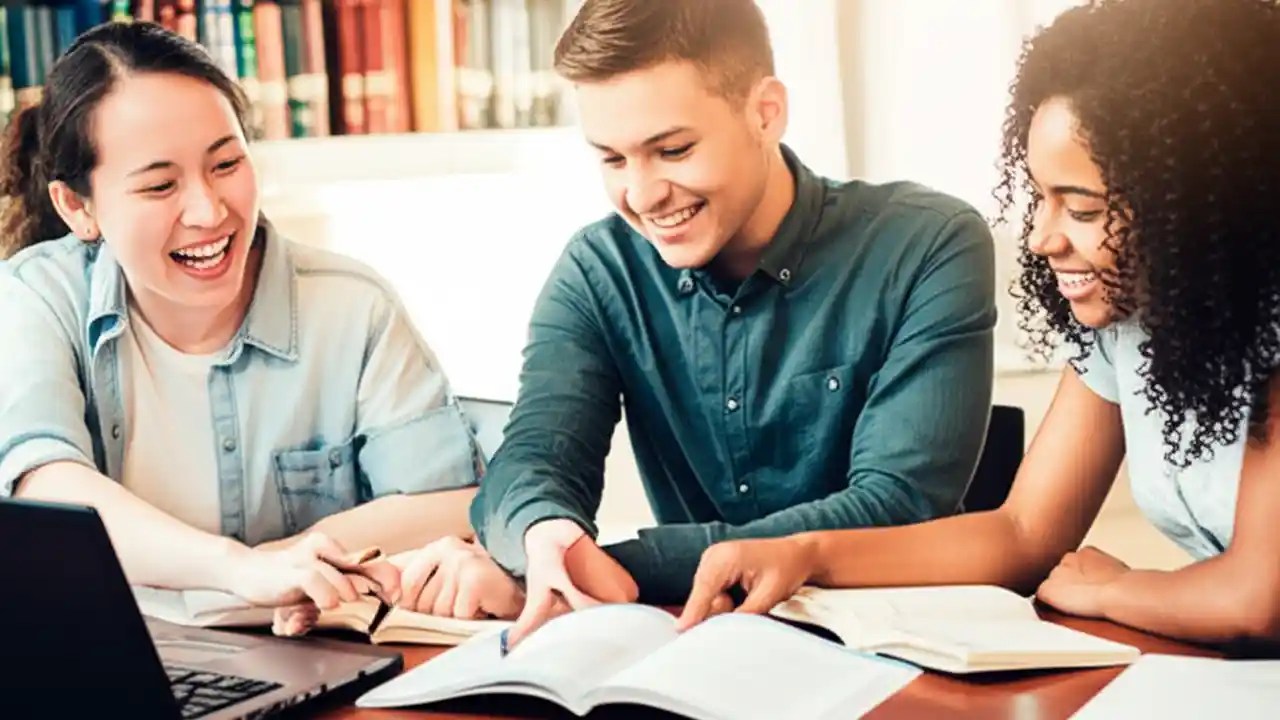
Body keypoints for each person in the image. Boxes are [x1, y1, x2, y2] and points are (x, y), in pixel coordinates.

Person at [677, 0, 1280, 648]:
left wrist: (1112, 588)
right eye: (1040, 197)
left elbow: (1254, 599)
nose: (1043, 238)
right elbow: (1023, 532)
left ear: (1196, 203)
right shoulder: (1129, 324)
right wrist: (808, 554)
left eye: (1080, 209)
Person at [397, 0, 998, 646]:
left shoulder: (931, 245)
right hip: (693, 653)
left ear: (766, 113)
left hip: (900, 653)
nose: (644, 194)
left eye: (673, 149)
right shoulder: (599, 272)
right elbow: (531, 462)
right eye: (612, 160)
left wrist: (605, 573)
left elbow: (897, 508)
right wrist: (547, 542)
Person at [0, 22, 483, 626]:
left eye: (226, 163)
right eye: (159, 185)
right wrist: (238, 570)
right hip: (108, 657)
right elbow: (44, 485)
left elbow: (452, 503)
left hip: (307, 657)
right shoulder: (35, 297)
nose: (208, 211)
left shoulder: (353, 307)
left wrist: (291, 565)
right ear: (79, 207)